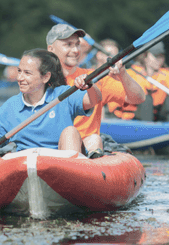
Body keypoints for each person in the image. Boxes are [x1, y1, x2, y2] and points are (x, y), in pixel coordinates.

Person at [46, 24, 145, 157]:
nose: (75, 50)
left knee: (94, 139)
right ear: (51, 49)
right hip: (48, 149)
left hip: (85, 149)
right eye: (68, 45)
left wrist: (123, 74)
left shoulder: (94, 77)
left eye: (77, 44)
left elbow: (138, 98)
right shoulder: (40, 80)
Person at [0, 49, 100, 155]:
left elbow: (94, 99)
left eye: (27, 73)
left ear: (46, 77)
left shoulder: (64, 94)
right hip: (24, 164)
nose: (20, 78)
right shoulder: (10, 106)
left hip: (62, 162)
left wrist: (89, 85)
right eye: (19, 71)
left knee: (71, 132)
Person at [120, 42, 169, 122]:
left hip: (157, 115)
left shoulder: (165, 74)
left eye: (161, 56)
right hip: (136, 115)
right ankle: (147, 128)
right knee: (147, 99)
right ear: (145, 57)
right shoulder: (132, 73)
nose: (159, 60)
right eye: (156, 56)